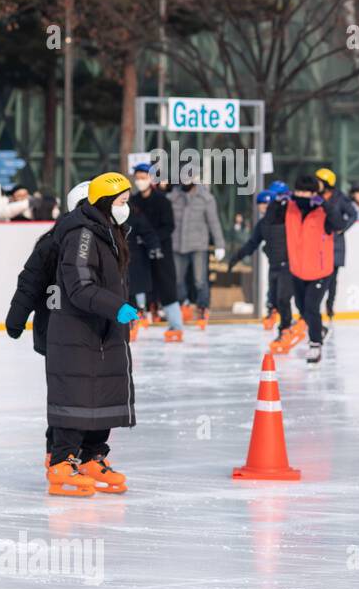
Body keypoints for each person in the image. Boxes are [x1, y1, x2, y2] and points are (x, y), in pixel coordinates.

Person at [44, 172, 139, 497]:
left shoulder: (110, 231)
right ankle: (61, 463)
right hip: (78, 330)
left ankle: (92, 456)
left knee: (105, 392)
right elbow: (80, 286)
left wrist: (122, 307)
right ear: (102, 202)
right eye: (121, 202)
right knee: (76, 395)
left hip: (103, 329)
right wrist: (117, 307)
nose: (126, 208)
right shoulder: (83, 233)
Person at [6, 181, 90, 464]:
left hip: (86, 332)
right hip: (56, 332)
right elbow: (30, 282)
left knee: (82, 393)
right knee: (67, 393)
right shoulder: (53, 242)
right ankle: (59, 451)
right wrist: (16, 319)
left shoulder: (100, 240)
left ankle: (79, 450)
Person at [229, 189, 297, 353]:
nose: (264, 207)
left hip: (288, 266)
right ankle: (285, 325)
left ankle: (286, 328)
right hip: (274, 265)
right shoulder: (263, 224)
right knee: (274, 299)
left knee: (283, 298)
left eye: (267, 203)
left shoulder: (287, 219)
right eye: (261, 204)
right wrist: (237, 257)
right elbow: (252, 243)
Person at [284, 174, 339, 364]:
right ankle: (320, 329)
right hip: (297, 268)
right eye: (297, 191)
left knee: (311, 307)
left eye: (305, 193)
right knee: (301, 308)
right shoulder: (290, 208)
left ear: (315, 193)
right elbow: (269, 218)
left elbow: (340, 223)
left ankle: (315, 344)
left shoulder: (324, 212)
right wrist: (278, 200)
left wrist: (325, 204)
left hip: (320, 271)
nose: (301, 196)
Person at [128, 165, 185, 341]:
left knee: (166, 286)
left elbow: (169, 226)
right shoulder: (133, 201)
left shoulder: (162, 201)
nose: (140, 181)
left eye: (143, 177)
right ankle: (133, 322)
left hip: (161, 251)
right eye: (137, 177)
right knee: (135, 286)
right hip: (138, 252)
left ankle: (175, 325)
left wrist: (151, 239)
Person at [168, 176, 225, 327]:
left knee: (200, 280)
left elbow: (214, 223)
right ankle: (183, 304)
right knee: (177, 279)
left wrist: (220, 244)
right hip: (177, 244)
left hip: (198, 244)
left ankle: (203, 307)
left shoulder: (206, 198)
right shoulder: (173, 196)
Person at [314, 167, 356, 326]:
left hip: (335, 245)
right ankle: (314, 307)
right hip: (318, 243)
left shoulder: (339, 198)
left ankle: (329, 307)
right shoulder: (315, 197)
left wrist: (342, 228)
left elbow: (353, 214)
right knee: (317, 277)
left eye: (319, 181)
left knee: (331, 279)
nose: (316, 184)